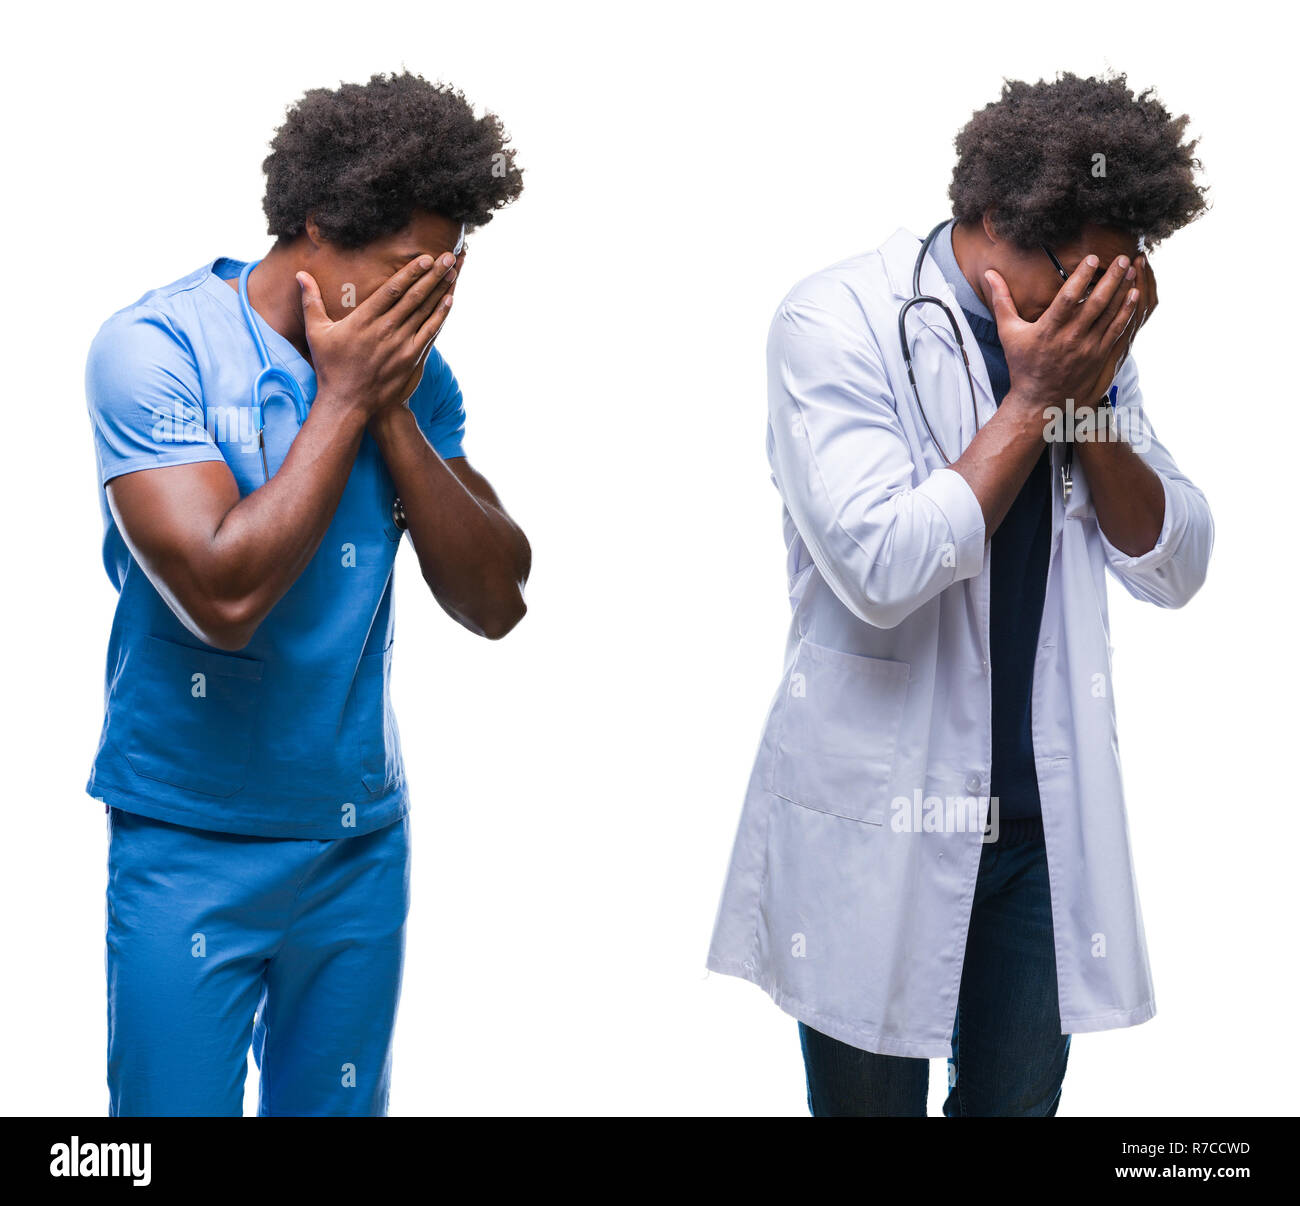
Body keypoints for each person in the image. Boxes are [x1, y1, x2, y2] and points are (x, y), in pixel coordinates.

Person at [706, 72, 1214, 1117]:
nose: (1103, 306)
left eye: (1125, 285)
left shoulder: (1086, 357)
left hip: (1036, 836)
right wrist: (1034, 401)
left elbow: (1172, 558)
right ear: (992, 220)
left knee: (1015, 1110)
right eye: (1085, 276)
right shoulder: (834, 320)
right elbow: (883, 565)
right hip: (879, 820)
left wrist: (1095, 397)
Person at [85, 72, 530, 1116]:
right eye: (396, 273)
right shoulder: (154, 352)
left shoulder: (415, 380)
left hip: (355, 840)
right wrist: (343, 397)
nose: (421, 305)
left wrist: (391, 415)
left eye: (441, 279)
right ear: (316, 229)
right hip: (187, 837)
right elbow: (222, 595)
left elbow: (496, 598)